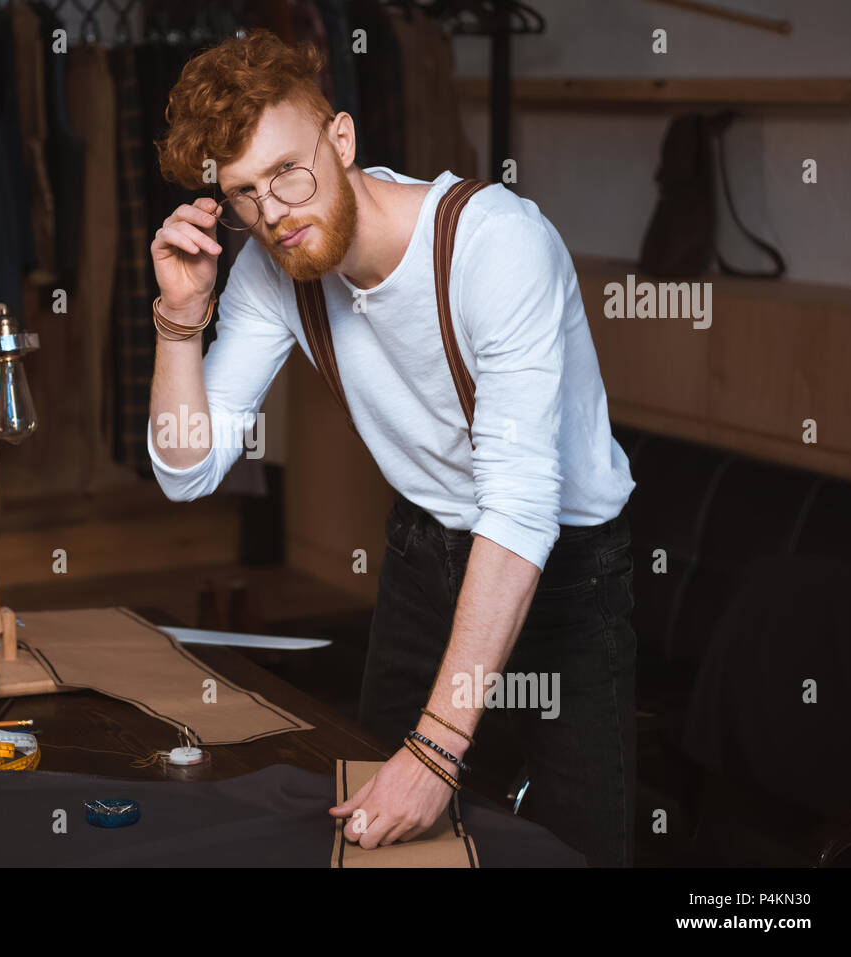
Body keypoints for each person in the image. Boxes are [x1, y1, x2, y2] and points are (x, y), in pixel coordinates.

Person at [145, 29, 637, 867]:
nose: (274, 213)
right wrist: (181, 319)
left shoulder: (494, 244)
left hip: (564, 574)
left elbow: (520, 508)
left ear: (342, 139)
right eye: (244, 194)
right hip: (422, 557)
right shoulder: (273, 268)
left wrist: (439, 748)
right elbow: (188, 470)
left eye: (288, 172)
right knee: (375, 844)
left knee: (572, 852)